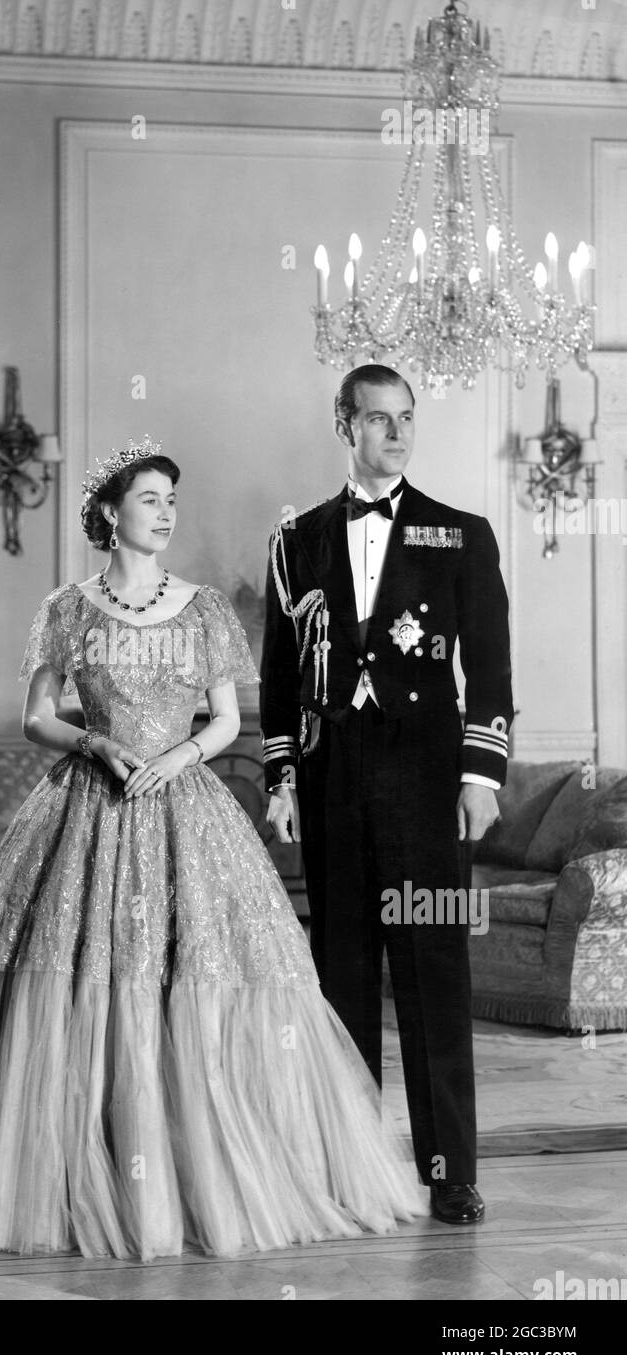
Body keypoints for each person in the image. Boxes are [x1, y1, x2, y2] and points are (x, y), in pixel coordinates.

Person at [0, 434, 428, 1261]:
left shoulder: (204, 608)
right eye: (149, 499)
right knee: (81, 976)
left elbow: (225, 718)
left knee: (197, 968)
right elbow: (37, 718)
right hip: (90, 803)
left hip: (185, 807)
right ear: (109, 514)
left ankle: (200, 1173)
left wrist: (180, 757)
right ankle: (90, 1163)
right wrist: (95, 745)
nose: (166, 513)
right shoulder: (68, 608)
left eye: (172, 500)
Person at [260, 364, 514, 1226]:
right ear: (345, 425)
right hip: (331, 772)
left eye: (406, 418)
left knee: (433, 968)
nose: (397, 433)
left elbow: (490, 665)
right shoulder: (295, 539)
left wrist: (480, 776)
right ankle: (350, 1169)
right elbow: (278, 674)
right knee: (341, 971)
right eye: (377, 419)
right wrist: (282, 776)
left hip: (428, 774)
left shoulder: (460, 533)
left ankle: (450, 1174)